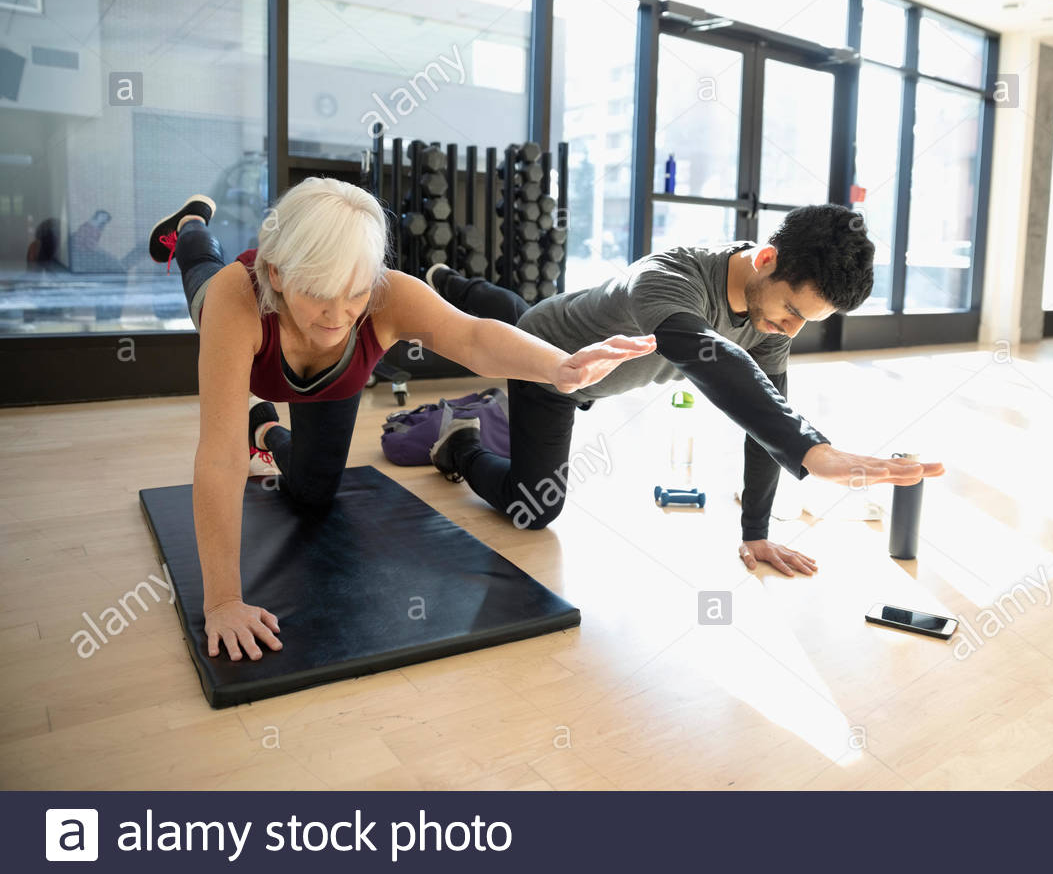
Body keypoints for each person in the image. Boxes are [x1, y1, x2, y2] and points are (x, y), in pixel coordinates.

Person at [148, 178, 656, 663]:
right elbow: (219, 457)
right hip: (229, 302)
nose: (338, 314)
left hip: (328, 387)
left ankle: (264, 426)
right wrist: (221, 602)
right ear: (278, 275)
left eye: (354, 293)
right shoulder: (238, 299)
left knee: (312, 493)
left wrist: (558, 365)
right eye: (319, 294)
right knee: (204, 284)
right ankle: (192, 229)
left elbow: (474, 337)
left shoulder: (387, 294)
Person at [427, 203, 945, 577]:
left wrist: (755, 531)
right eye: (791, 311)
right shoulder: (670, 276)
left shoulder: (770, 321)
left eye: (805, 321)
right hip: (553, 369)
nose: (790, 330)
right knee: (532, 510)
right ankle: (460, 444)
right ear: (766, 260)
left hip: (594, 353)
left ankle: (452, 283)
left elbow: (766, 415)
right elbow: (712, 360)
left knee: (520, 311)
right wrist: (812, 450)